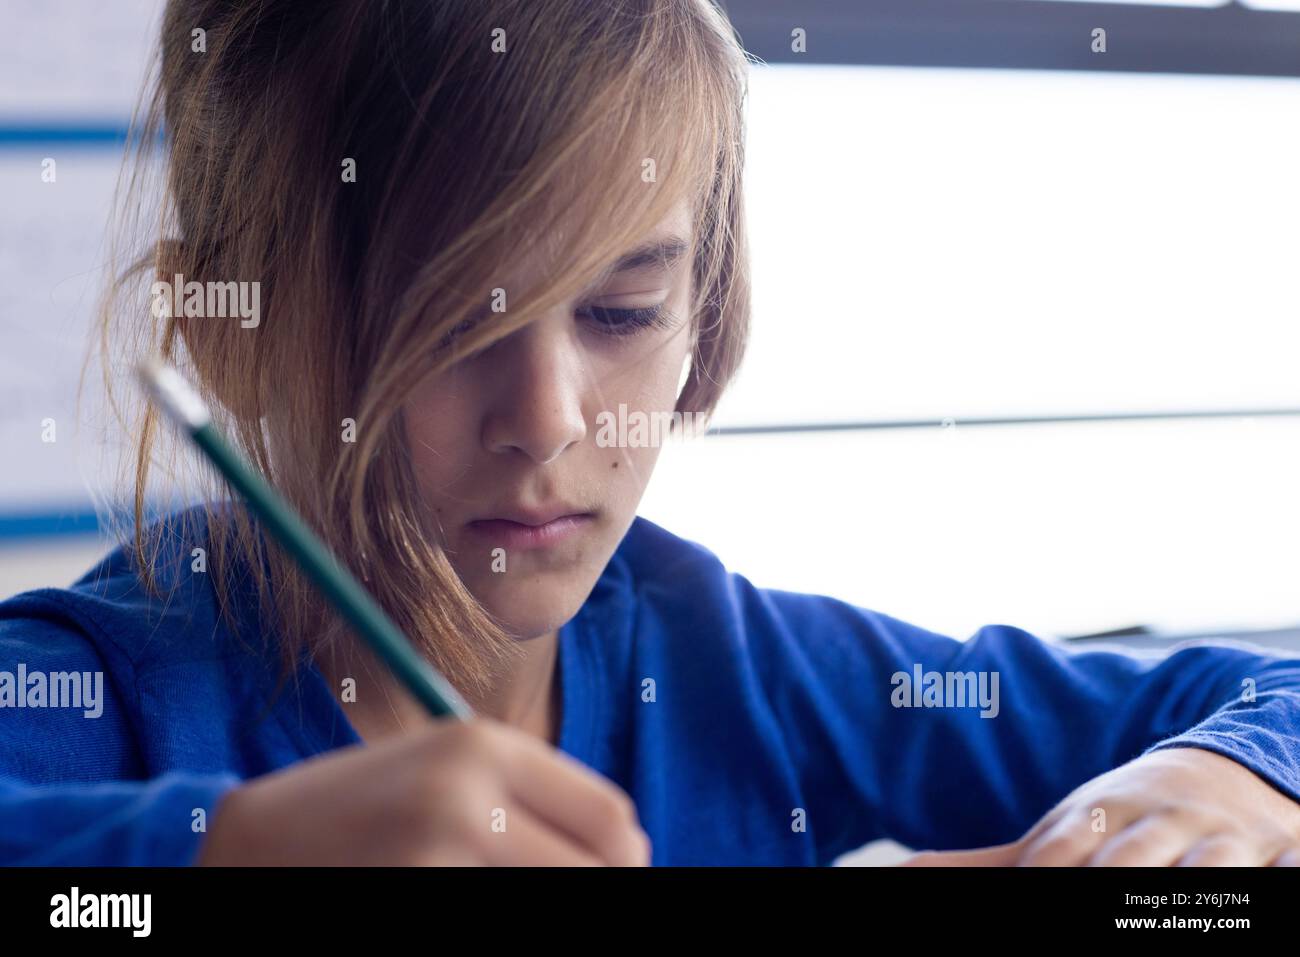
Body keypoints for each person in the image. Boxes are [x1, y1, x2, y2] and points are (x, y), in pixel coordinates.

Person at [2, 0, 1298, 867]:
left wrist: (1215, 782)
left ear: (708, 304)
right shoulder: (97, 688)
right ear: (224, 331)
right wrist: (230, 849)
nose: (552, 420)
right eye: (449, 326)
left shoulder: (739, 662)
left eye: (624, 309)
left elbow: (1262, 694)